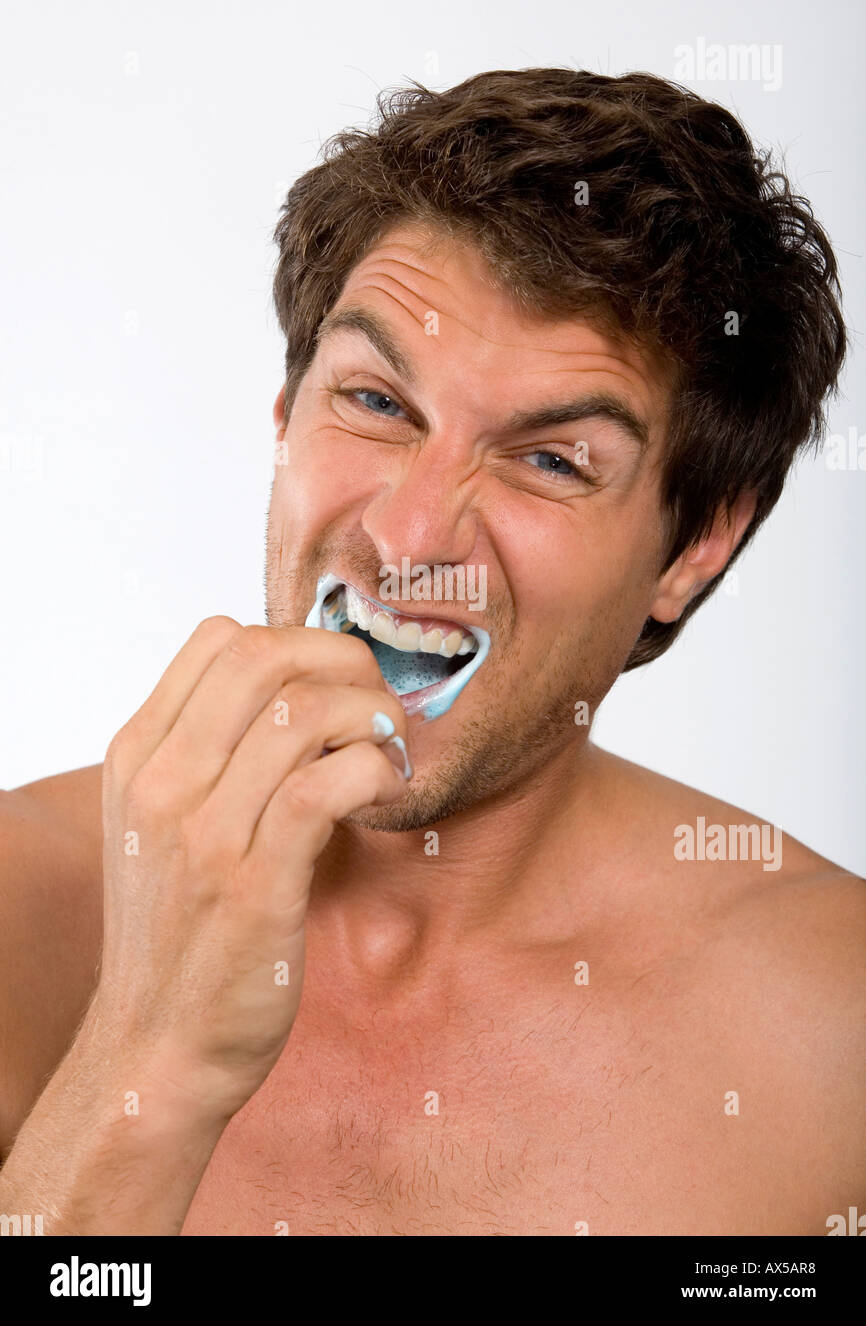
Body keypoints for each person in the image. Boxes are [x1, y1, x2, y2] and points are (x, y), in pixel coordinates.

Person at [1, 68, 862, 1237]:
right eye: (375, 401)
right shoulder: (16, 911)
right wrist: (149, 1057)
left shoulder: (834, 1031)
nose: (409, 537)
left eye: (550, 460)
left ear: (693, 547)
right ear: (285, 415)